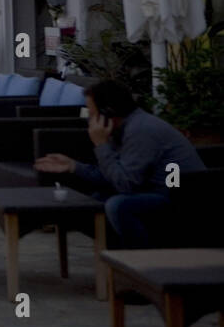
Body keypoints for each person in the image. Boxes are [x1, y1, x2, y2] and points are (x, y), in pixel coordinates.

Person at [35, 79, 205, 248]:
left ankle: (140, 262)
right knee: (90, 202)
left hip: (179, 197)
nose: (89, 121)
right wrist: (73, 166)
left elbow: (125, 184)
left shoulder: (140, 130)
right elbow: (113, 176)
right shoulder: (123, 128)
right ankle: (115, 259)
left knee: (118, 205)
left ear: (108, 113)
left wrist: (101, 145)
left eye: (92, 114)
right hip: (151, 189)